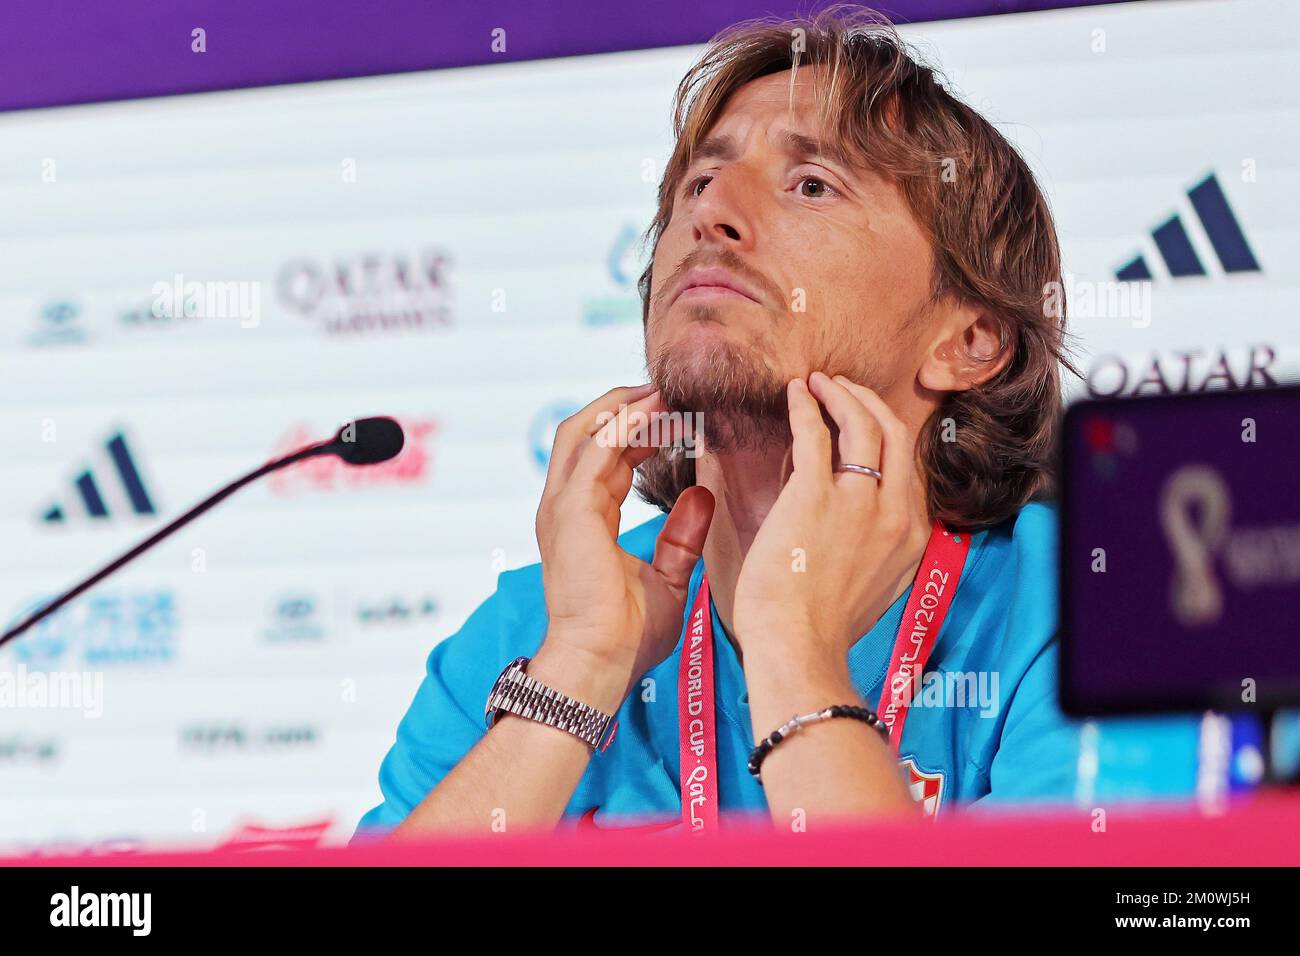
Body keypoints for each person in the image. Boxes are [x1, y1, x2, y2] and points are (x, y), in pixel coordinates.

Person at [356, 5, 1083, 837]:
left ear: (969, 341)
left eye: (812, 186)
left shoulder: (1082, 614)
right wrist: (580, 669)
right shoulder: (534, 629)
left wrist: (794, 652)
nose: (709, 216)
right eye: (698, 184)